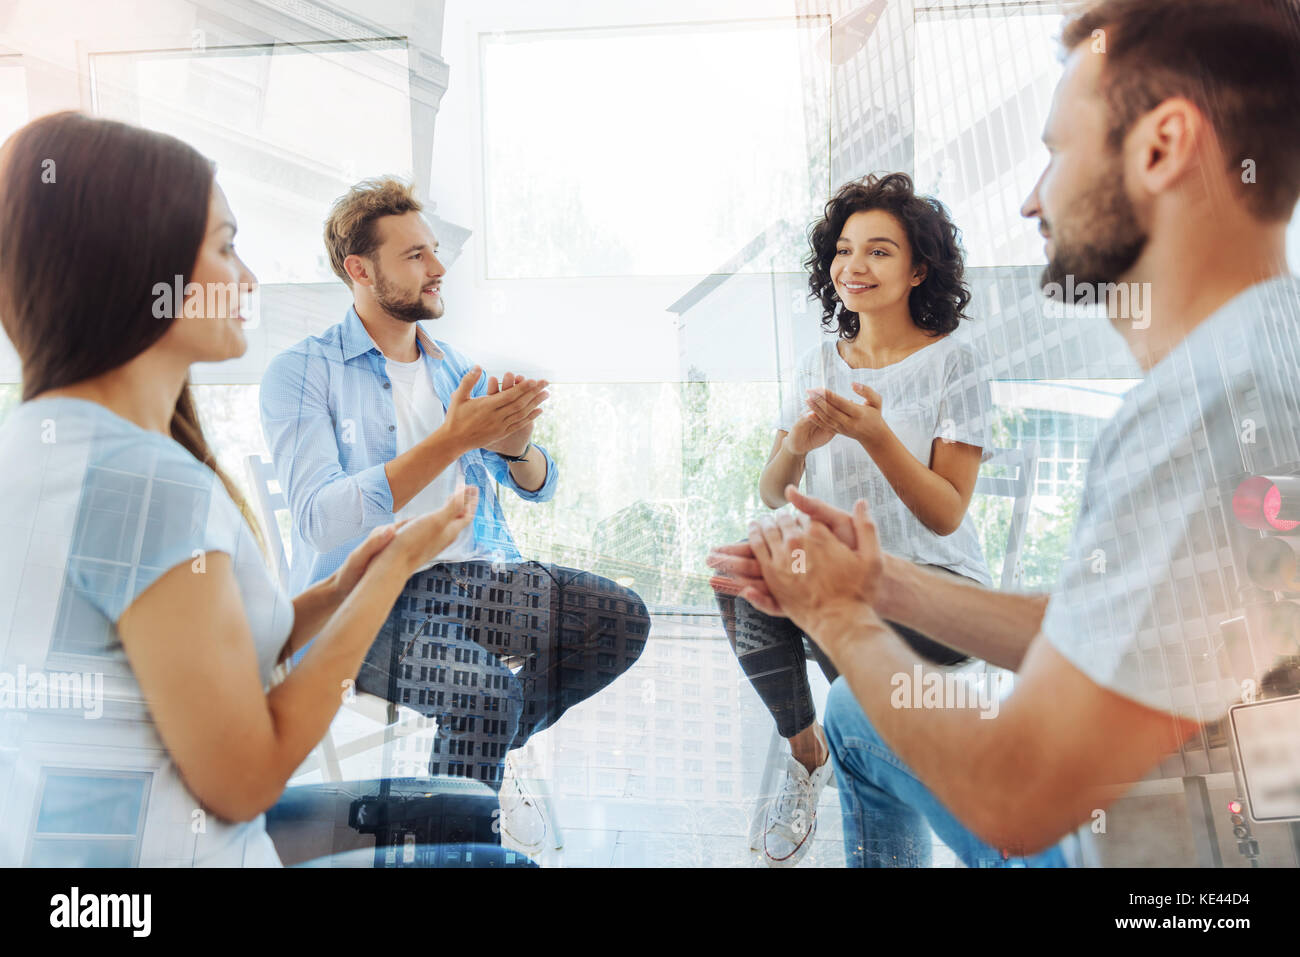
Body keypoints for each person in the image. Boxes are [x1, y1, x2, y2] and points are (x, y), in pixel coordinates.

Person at [710, 0, 1300, 867]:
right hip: (1246, 828)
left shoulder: (1201, 412)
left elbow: (1014, 795)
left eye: (1058, 153)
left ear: (1165, 147)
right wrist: (884, 583)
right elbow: (1109, 622)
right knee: (849, 711)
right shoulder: (1262, 355)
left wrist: (837, 612)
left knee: (854, 713)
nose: (1030, 199)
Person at [0, 112, 520, 867]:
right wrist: (393, 573)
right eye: (226, 245)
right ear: (141, 267)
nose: (248, 277)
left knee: (468, 808)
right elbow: (245, 780)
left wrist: (344, 584)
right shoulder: (151, 484)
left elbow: (204, 652)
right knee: (498, 861)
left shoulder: (41, 446)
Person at [259, 178, 650, 856]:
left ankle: (470, 776)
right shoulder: (303, 372)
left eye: (434, 251)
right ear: (360, 269)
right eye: (415, 255)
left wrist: (513, 445)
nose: (438, 269)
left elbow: (538, 483)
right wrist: (451, 439)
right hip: (370, 601)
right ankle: (463, 815)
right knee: (484, 698)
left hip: (478, 581)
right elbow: (321, 520)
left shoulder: (453, 370)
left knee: (619, 620)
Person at [712, 172, 995, 866]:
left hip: (935, 591)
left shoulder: (956, 362)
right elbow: (774, 489)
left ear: (919, 269)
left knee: (826, 610)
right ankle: (808, 750)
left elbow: (947, 513)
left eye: (879, 251)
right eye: (843, 250)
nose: (853, 267)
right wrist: (798, 448)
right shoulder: (819, 361)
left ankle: (860, 745)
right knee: (741, 570)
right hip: (845, 579)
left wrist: (875, 434)